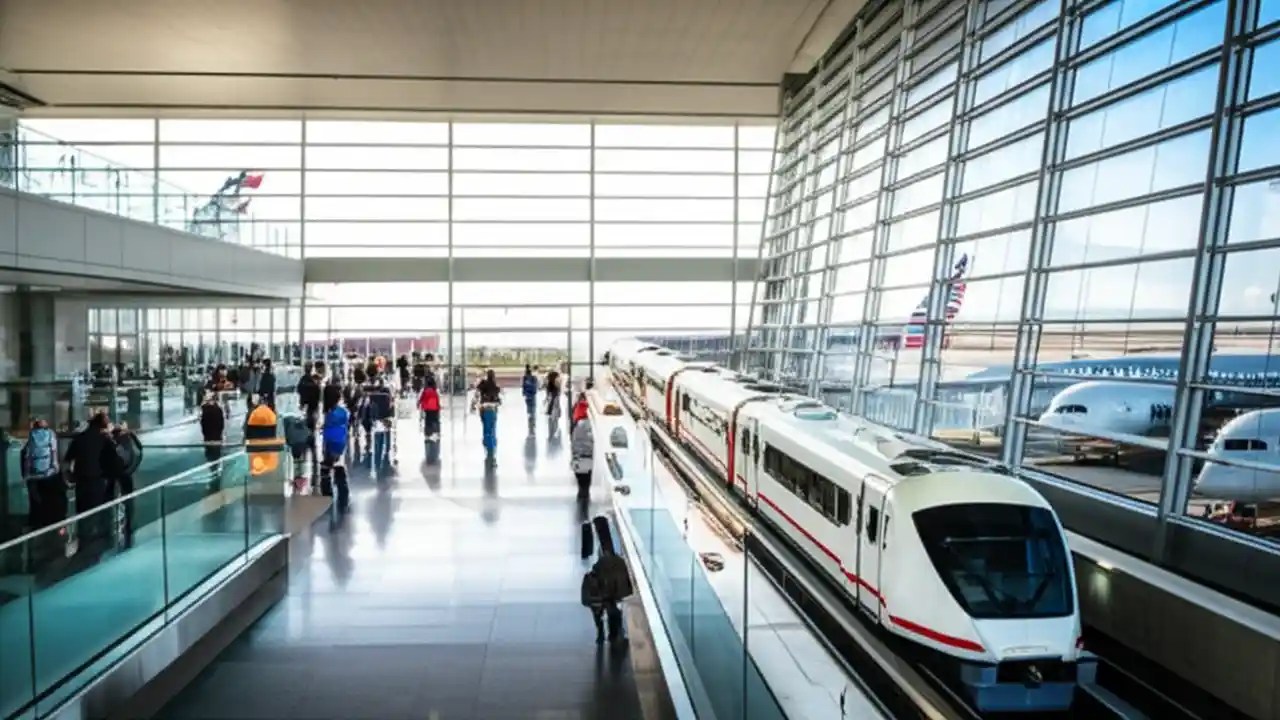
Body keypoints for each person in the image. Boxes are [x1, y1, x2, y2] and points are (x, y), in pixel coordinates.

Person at [583, 536, 635, 645]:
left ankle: (601, 633)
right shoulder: (619, 562)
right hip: (611, 594)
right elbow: (624, 580)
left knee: (599, 614)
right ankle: (613, 634)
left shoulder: (599, 565)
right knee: (613, 613)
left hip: (600, 594)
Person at [22, 417, 63, 529]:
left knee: (35, 502)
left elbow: (28, 456)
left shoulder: (32, 435)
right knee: (49, 500)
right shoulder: (50, 434)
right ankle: (48, 524)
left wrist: (26, 474)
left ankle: (35, 524)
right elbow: (54, 452)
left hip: (34, 475)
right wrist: (56, 468)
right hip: (49, 474)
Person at [321, 400, 350, 506]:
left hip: (330, 442)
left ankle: (327, 494)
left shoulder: (329, 413)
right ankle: (343, 496)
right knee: (338, 467)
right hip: (339, 441)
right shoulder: (342, 411)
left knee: (326, 468)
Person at [474, 369, 501, 459]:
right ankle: (491, 444)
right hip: (493, 409)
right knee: (492, 426)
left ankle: (486, 441)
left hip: (483, 408)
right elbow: (498, 399)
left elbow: (477, 390)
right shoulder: (495, 386)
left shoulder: (483, 383)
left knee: (485, 425)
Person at [571, 415, 594, 501]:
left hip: (579, 458)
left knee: (581, 481)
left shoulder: (578, 426)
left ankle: (582, 493)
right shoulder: (591, 426)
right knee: (586, 480)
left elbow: (574, 443)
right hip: (588, 458)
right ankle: (584, 494)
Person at [419, 377, 442, 441]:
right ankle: (436, 433)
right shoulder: (435, 391)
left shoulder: (425, 391)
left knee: (428, 421)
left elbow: (421, 399)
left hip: (428, 409)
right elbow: (438, 400)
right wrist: (438, 408)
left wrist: (419, 404)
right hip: (435, 409)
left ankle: (428, 435)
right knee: (435, 420)